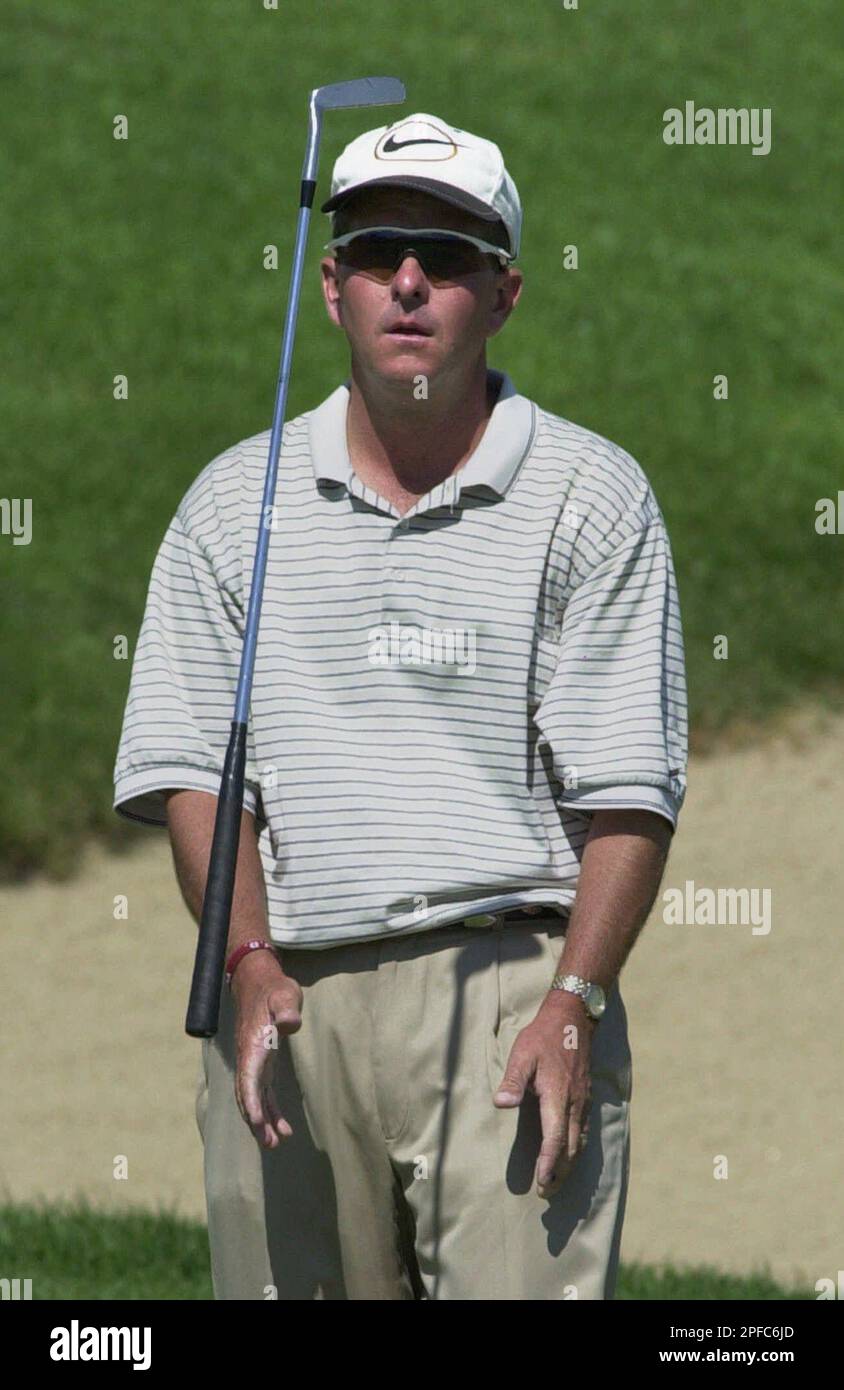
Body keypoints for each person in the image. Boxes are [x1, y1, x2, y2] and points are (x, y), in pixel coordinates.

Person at [113, 112, 688, 1300]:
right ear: (331, 289)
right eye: (376, 250)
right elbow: (199, 780)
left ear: (505, 291)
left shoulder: (592, 495)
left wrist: (574, 1001)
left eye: (450, 253)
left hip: (510, 991)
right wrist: (249, 958)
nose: (410, 279)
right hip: (290, 997)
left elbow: (629, 792)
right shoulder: (233, 505)